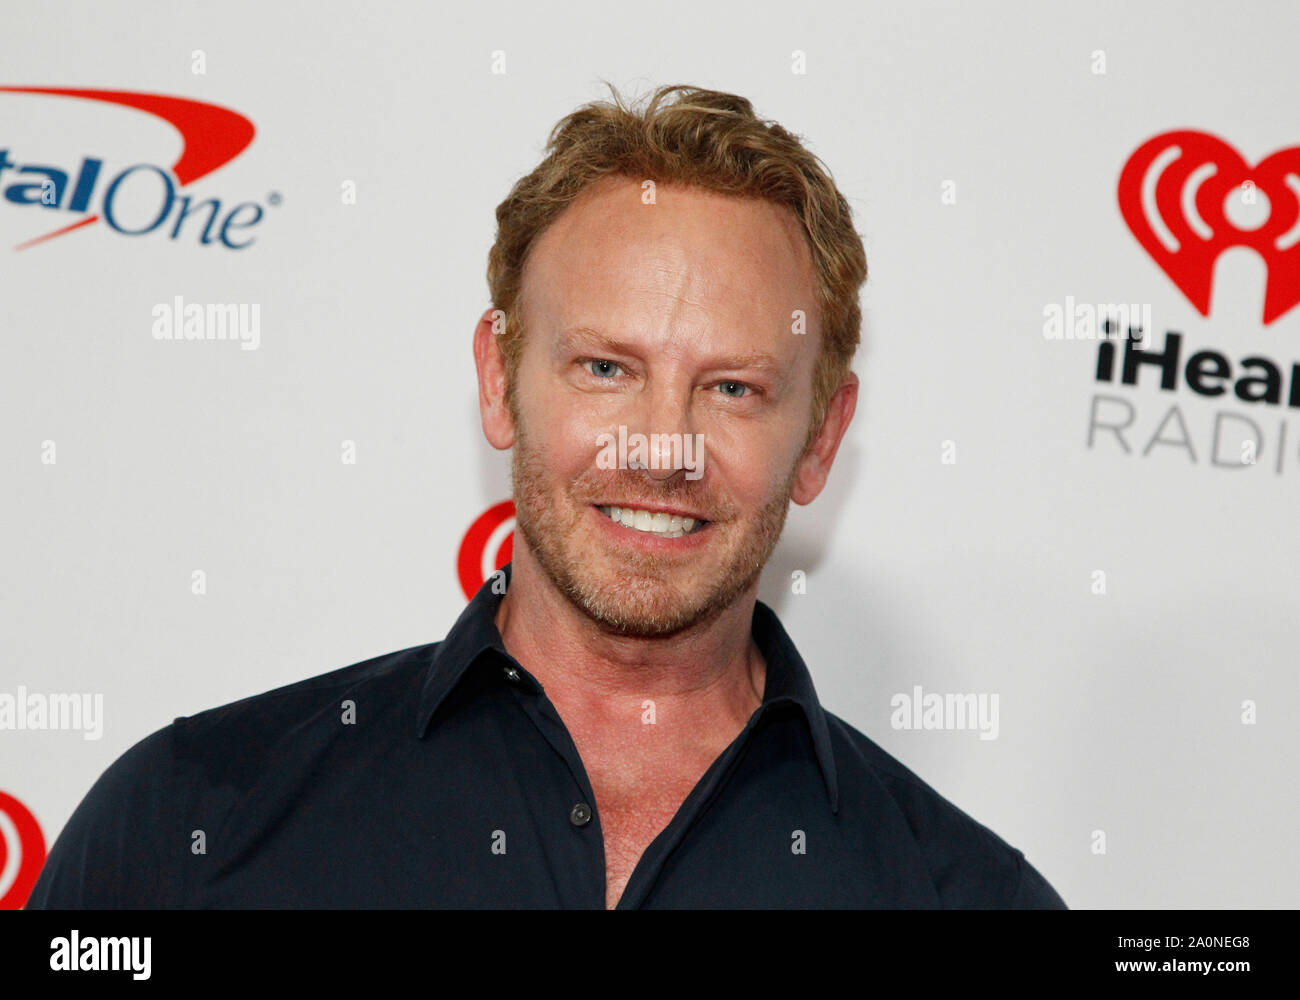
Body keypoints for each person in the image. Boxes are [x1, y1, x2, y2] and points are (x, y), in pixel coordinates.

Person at [27, 83, 1065, 909]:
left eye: (733, 388)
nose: (664, 449)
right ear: (499, 378)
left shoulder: (968, 896)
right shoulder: (185, 825)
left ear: (820, 437)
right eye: (606, 369)